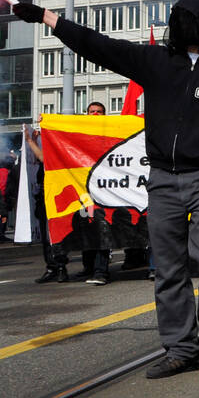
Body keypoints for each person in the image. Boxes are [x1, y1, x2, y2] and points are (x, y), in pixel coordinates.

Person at [13, 0, 199, 377]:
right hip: (162, 179)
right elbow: (98, 46)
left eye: (190, 20)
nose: (184, 26)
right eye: (180, 19)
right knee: (170, 268)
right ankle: (182, 349)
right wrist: (47, 18)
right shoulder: (154, 60)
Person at [25, 123, 70, 283]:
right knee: (46, 236)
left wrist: (31, 142)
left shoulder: (59, 146)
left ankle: (60, 267)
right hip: (44, 197)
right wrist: (33, 142)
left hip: (56, 196)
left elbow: (45, 158)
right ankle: (52, 267)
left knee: (56, 234)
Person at [78, 101, 113, 285]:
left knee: (102, 231)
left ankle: (101, 271)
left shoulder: (111, 133)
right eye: (92, 111)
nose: (95, 114)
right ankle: (89, 267)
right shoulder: (80, 134)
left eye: (99, 111)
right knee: (87, 230)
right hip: (85, 195)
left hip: (105, 193)